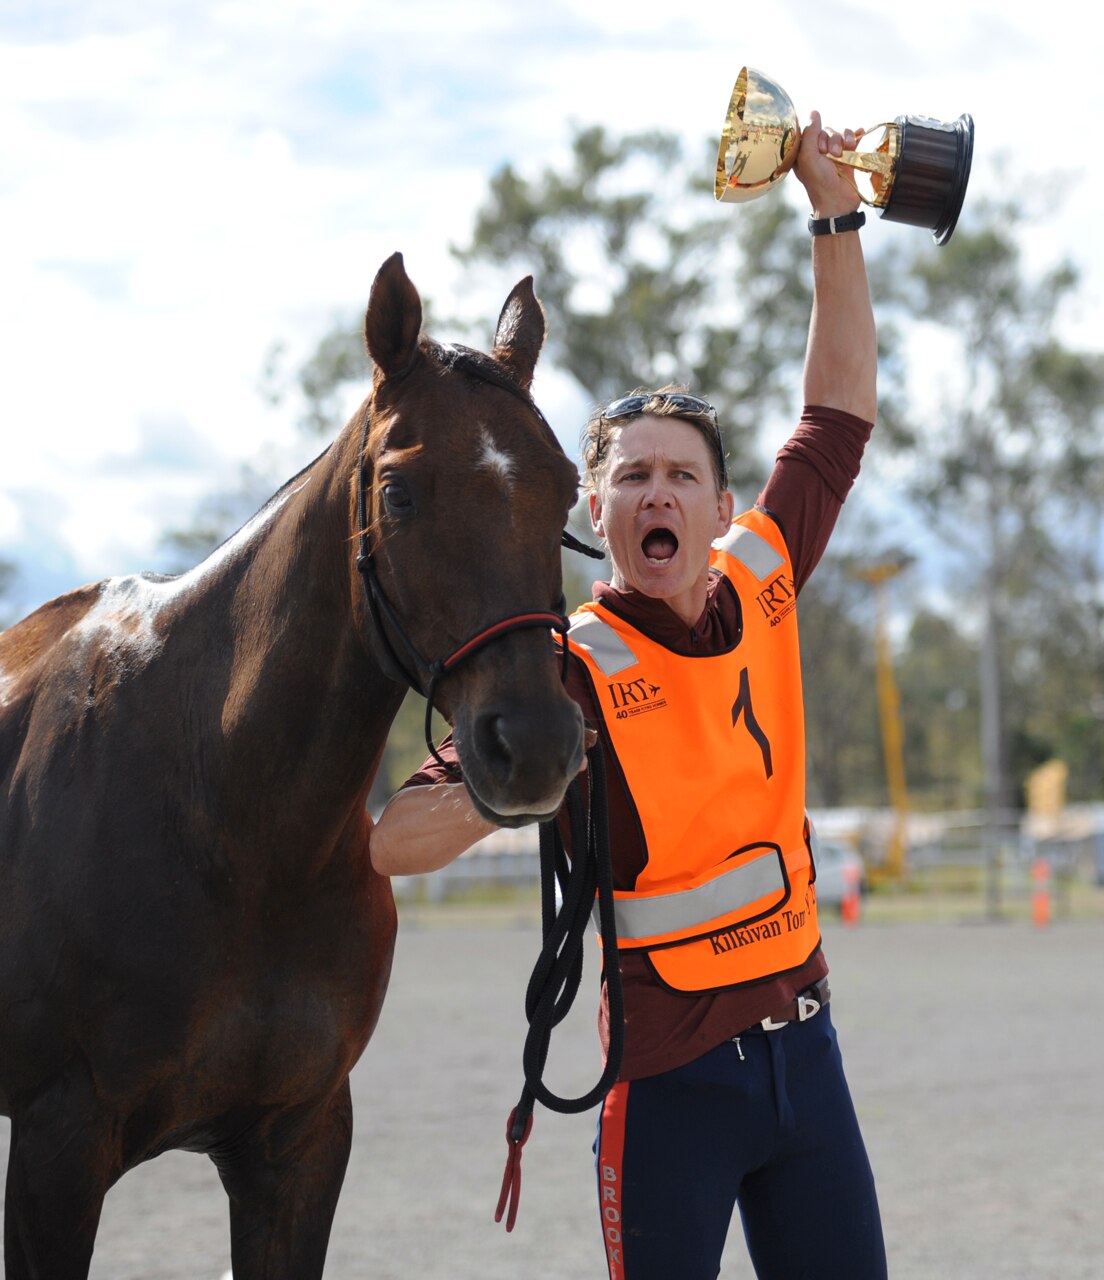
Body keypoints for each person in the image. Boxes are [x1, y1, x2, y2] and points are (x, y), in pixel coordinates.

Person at [370, 110, 887, 1280]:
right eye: (632, 476)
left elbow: (839, 408)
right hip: (667, 1090)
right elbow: (394, 840)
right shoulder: (568, 672)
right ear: (595, 517)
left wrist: (835, 212)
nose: (659, 492)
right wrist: (527, 773)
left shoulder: (763, 572)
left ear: (717, 509)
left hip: (809, 1061)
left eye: (682, 475)